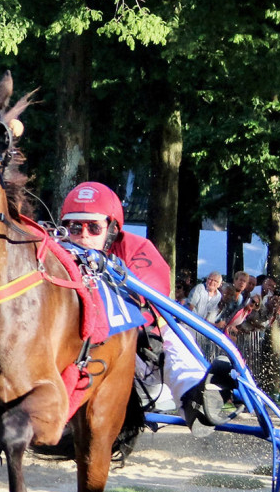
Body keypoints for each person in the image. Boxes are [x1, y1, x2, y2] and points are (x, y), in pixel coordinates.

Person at [60, 181, 224, 430]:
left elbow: (151, 299)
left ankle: (195, 396)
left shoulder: (136, 249)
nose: (83, 235)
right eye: (74, 227)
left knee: (172, 336)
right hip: (76, 347)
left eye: (94, 227)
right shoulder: (56, 254)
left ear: (112, 229)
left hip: (139, 347)